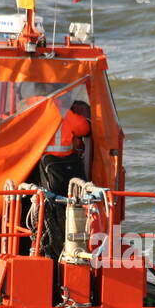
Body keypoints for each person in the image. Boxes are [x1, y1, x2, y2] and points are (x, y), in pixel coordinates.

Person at [34, 100, 92, 258]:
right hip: (63, 169)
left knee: (44, 209)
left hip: (43, 168)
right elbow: (84, 128)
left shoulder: (29, 107)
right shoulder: (63, 110)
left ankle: (44, 247)